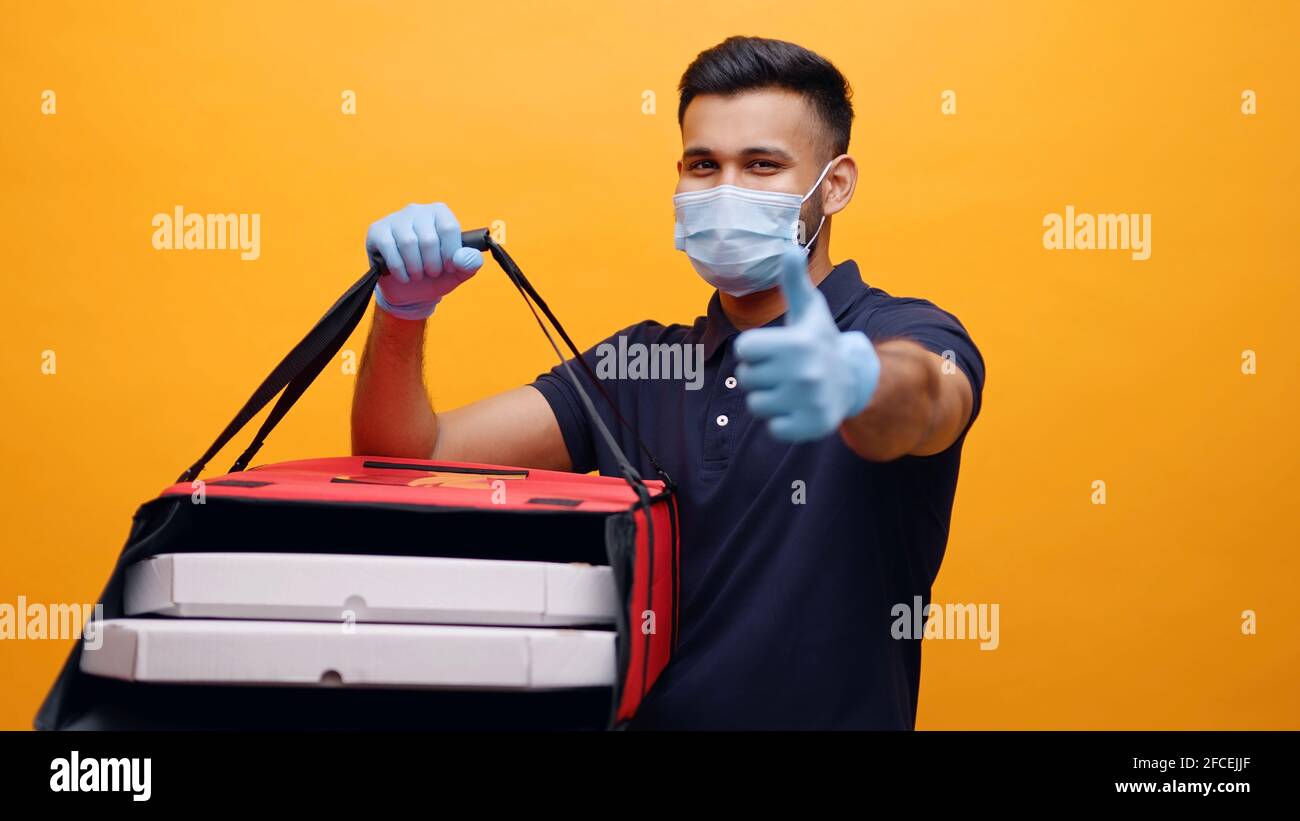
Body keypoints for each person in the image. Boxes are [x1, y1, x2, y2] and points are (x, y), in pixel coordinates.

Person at [352, 36, 985, 730]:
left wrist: (858, 382)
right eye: (703, 165)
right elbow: (410, 457)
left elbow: (932, 399)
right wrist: (401, 311)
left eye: (763, 165)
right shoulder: (640, 367)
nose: (726, 190)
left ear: (834, 184)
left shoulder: (904, 333)